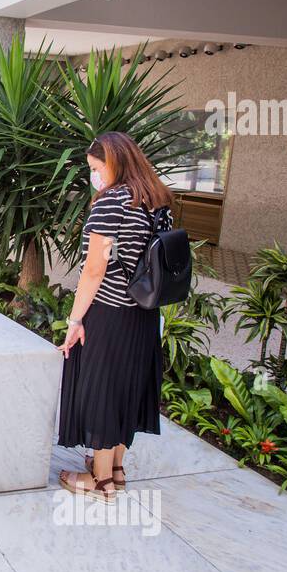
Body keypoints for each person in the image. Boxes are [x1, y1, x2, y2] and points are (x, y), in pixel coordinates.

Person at [57, 131, 173, 502]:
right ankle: (117, 470)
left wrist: (75, 321)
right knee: (128, 387)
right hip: (145, 314)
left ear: (114, 163)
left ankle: (100, 482)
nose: (94, 176)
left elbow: (95, 269)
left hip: (109, 311)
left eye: (95, 168)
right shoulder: (157, 199)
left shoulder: (113, 201)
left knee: (103, 389)